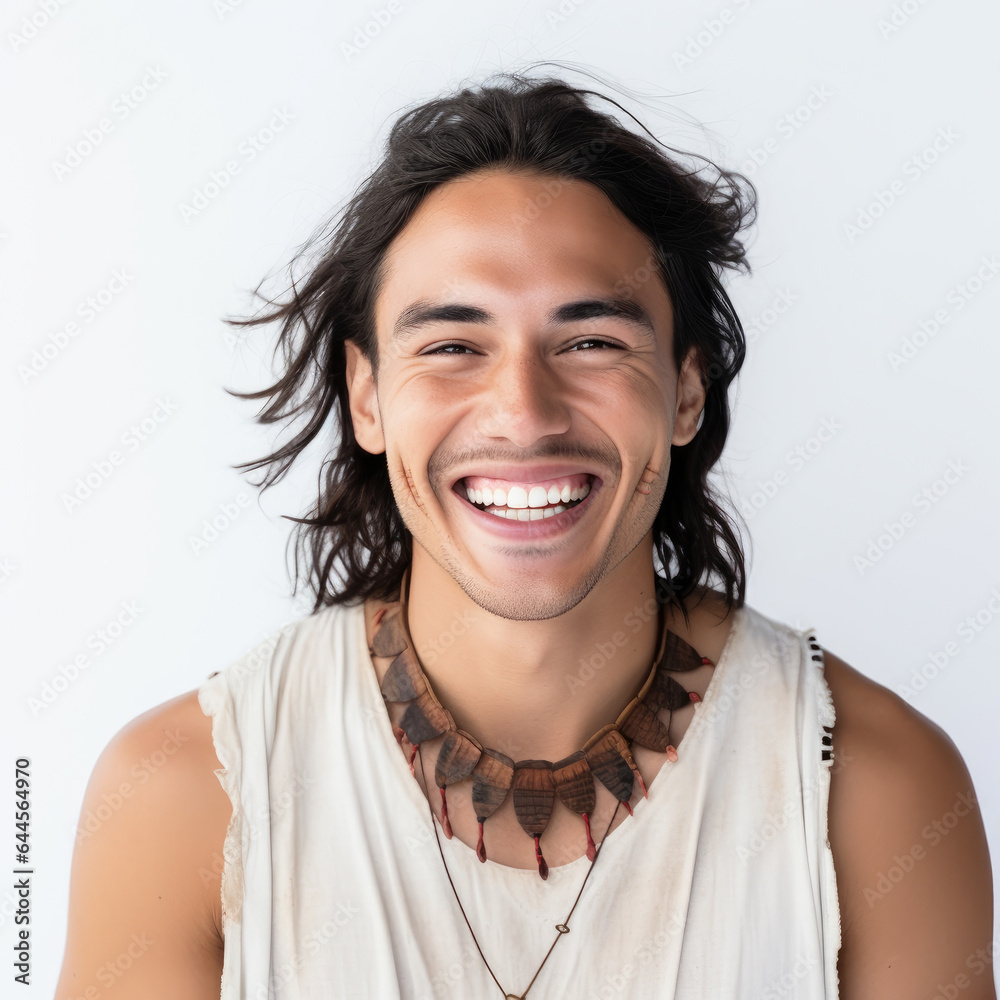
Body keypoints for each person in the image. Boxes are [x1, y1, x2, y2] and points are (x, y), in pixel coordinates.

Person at [54, 71, 995, 1000]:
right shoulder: (186, 797)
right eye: (454, 346)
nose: (525, 412)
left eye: (590, 342)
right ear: (369, 396)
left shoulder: (871, 792)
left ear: (688, 391)